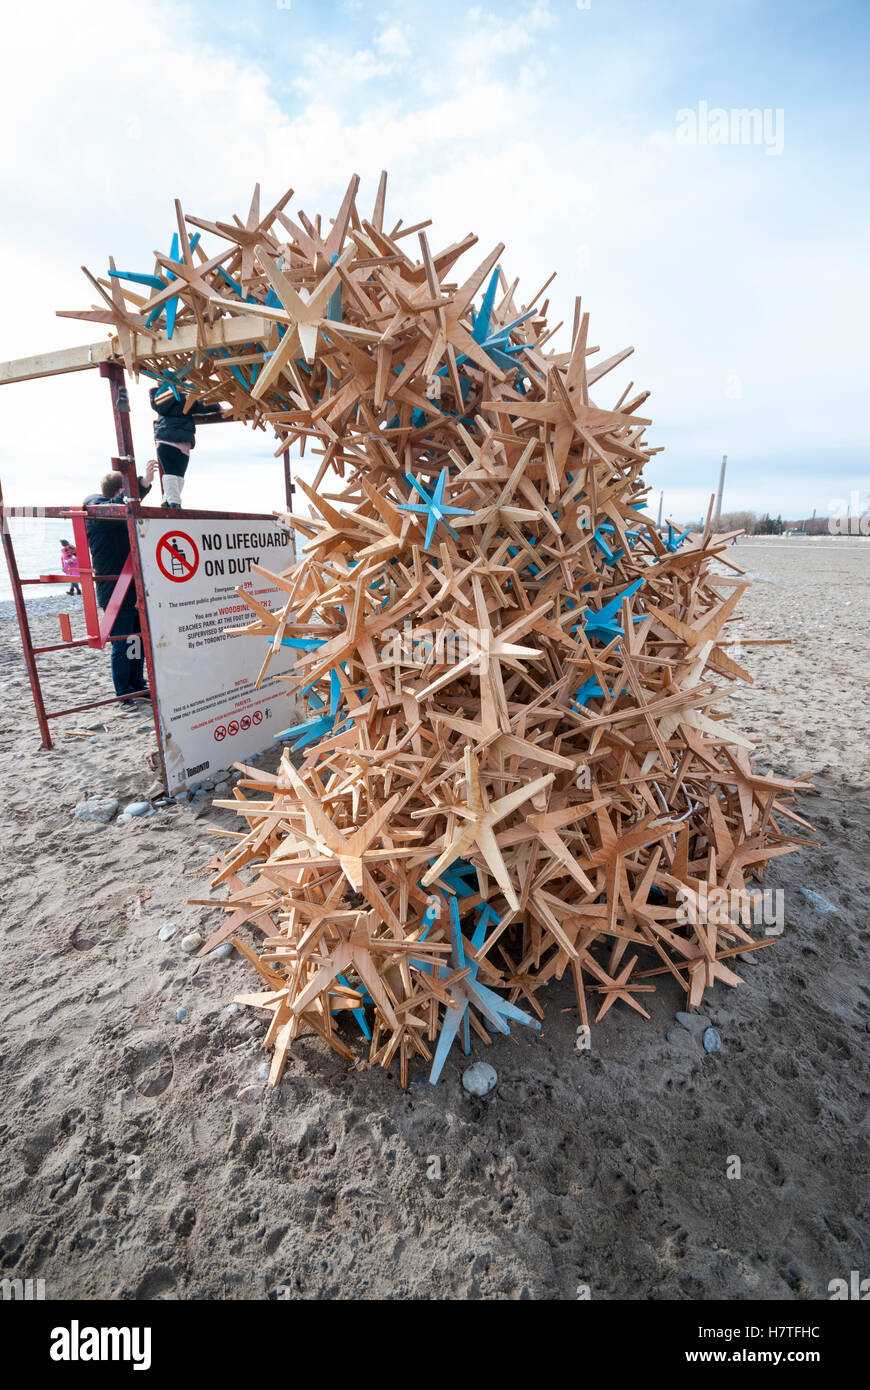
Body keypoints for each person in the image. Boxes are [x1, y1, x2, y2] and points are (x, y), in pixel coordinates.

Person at [83, 462, 156, 701]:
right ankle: (124, 691)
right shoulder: (97, 511)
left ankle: (136, 683)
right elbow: (105, 503)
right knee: (122, 642)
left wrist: (140, 487)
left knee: (136, 638)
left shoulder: (115, 511)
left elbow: (124, 505)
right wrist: (142, 485)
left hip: (130, 588)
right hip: (115, 589)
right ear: (119, 491)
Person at [150, 385, 223, 509]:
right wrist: (217, 406)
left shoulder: (158, 394)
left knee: (175, 475)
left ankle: (169, 501)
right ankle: (173, 502)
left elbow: (159, 406)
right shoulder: (185, 397)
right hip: (181, 441)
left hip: (167, 438)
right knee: (175, 474)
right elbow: (201, 406)